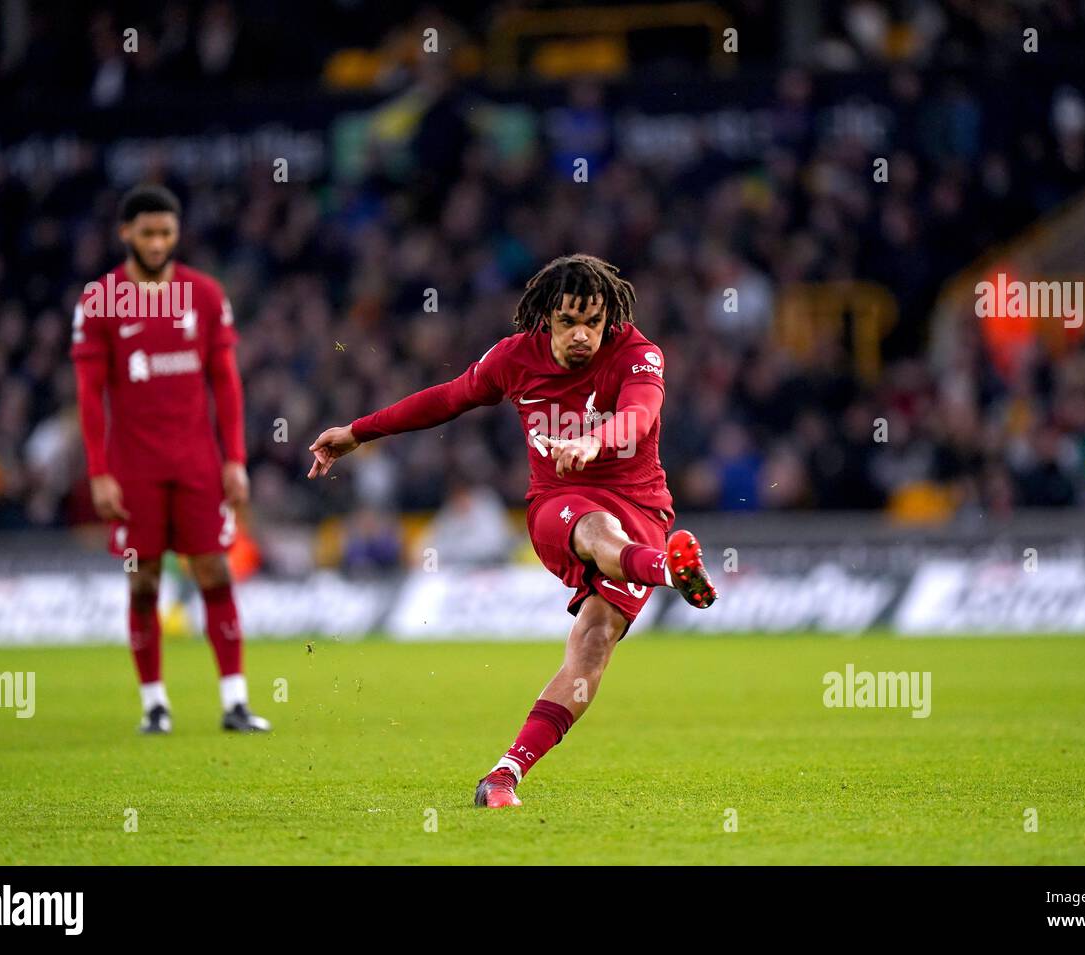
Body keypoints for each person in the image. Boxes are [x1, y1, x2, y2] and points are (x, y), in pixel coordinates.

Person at [308, 253, 716, 806]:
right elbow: (448, 399)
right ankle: (671, 568)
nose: (582, 335)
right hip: (558, 503)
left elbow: (640, 415)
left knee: (593, 644)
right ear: (546, 316)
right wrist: (358, 432)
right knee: (597, 530)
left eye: (593, 322)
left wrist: (597, 440)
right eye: (569, 321)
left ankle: (504, 775)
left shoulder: (639, 354)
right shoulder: (514, 358)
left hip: (642, 508)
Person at [71, 184, 270, 734]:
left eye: (166, 232)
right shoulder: (100, 301)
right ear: (125, 234)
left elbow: (225, 383)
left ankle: (235, 700)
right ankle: (154, 704)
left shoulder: (204, 294)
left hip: (198, 464)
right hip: (132, 469)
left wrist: (234, 459)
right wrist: (98, 472)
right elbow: (89, 393)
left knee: (214, 570)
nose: (157, 242)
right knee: (143, 580)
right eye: (147, 232)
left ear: (176, 234)